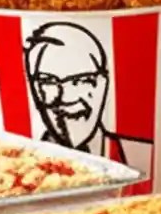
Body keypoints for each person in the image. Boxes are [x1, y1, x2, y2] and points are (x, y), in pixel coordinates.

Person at [24, 22, 153, 171]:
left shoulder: (149, 156)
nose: (66, 97)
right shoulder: (14, 161)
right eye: (48, 81)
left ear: (103, 85)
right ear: (34, 88)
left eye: (82, 81)